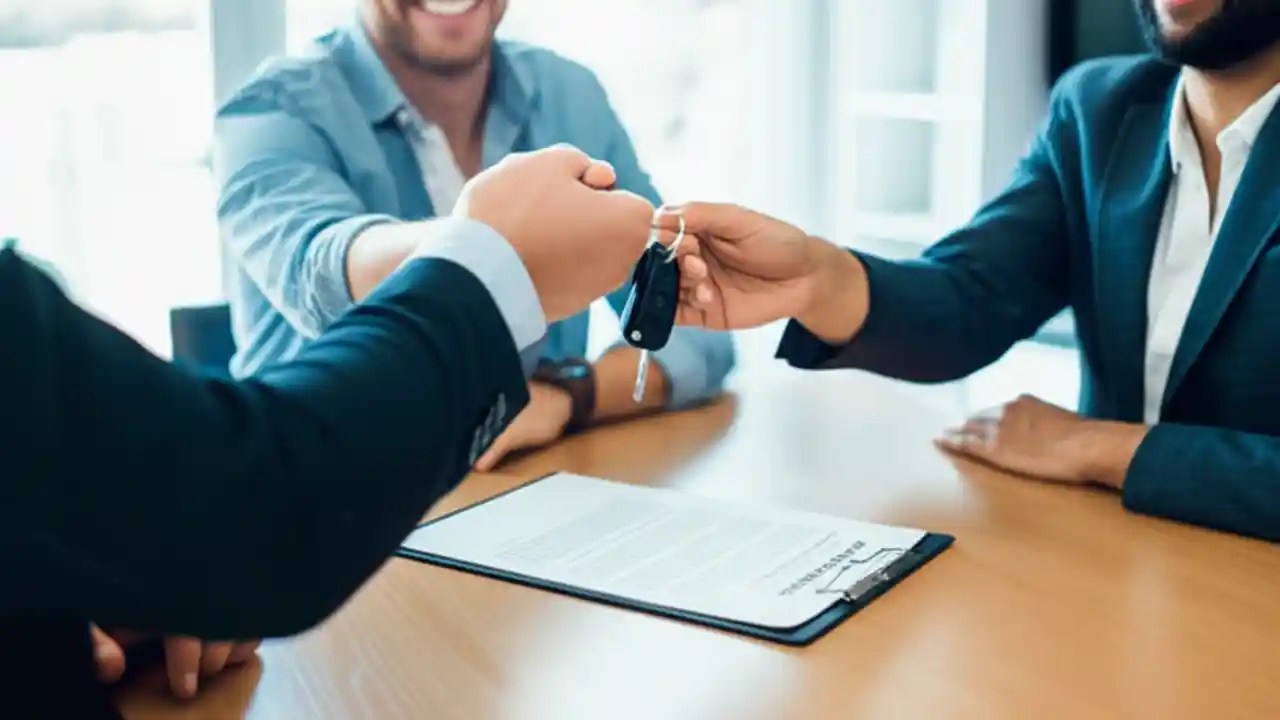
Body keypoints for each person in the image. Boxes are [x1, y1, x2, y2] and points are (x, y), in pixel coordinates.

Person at [1, 146, 654, 718]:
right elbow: (263, 494)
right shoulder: (277, 111)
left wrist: (74, 594)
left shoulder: (566, 86)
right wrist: (486, 256)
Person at [667, 0, 1280, 543]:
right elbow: (975, 297)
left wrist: (1102, 447)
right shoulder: (1097, 108)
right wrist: (816, 277)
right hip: (1110, 562)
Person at [215, 0, 735, 470]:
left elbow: (694, 317)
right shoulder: (270, 110)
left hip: (518, 493)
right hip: (322, 499)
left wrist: (565, 395)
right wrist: (490, 244)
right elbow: (319, 272)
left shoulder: (570, 95)